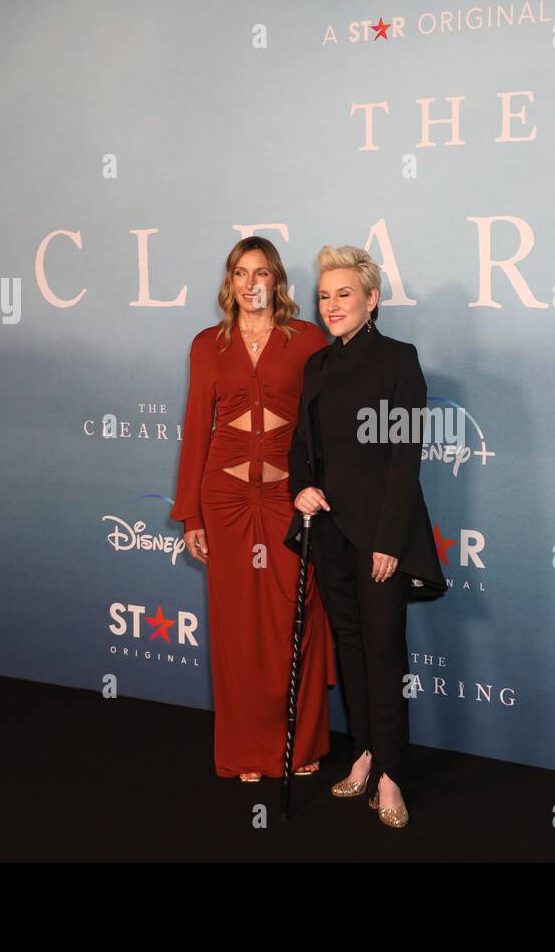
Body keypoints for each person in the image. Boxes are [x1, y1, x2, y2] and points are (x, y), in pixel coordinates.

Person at [286, 245, 446, 828]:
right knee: (350, 647)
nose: (332, 305)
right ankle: (365, 753)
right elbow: (302, 448)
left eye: (344, 294)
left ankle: (393, 774)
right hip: (327, 530)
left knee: (382, 651)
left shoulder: (399, 361)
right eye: (325, 296)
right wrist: (300, 487)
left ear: (372, 299)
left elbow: (407, 460)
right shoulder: (318, 367)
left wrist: (390, 541)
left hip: (381, 536)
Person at [172, 236, 334, 782]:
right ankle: (247, 751)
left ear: (276, 280)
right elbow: (197, 430)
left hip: (291, 501)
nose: (249, 283)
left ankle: (301, 743)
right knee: (238, 628)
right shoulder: (206, 345)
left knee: (298, 617)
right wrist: (192, 515)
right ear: (230, 282)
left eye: (260, 273)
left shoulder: (307, 340)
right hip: (226, 501)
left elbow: (324, 428)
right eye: (240, 273)